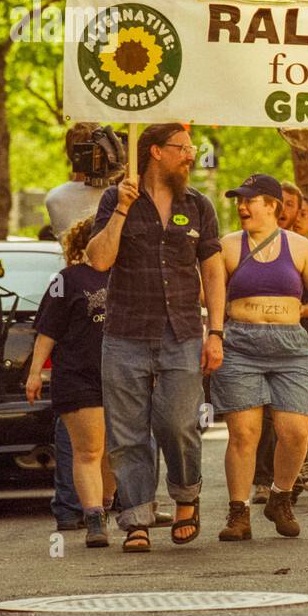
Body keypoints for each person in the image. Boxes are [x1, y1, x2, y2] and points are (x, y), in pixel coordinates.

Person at [86, 123, 225, 553]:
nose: (190, 155)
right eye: (182, 148)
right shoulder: (115, 199)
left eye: (190, 148)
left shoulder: (199, 205)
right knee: (126, 432)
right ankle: (137, 518)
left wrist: (216, 331)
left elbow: (214, 270)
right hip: (125, 332)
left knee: (177, 422)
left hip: (182, 332)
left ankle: (186, 496)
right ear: (155, 153)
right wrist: (123, 210)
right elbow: (98, 260)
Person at [212, 174, 308, 542]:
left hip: (290, 344)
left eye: (249, 200)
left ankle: (280, 497)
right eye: (239, 201)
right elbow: (209, 296)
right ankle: (238, 513)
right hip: (241, 343)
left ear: (272, 205)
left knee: (296, 432)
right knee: (245, 434)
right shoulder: (227, 245)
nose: (241, 207)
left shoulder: (300, 246)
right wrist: (212, 337)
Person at [25, 217, 113, 548]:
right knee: (89, 449)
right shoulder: (67, 279)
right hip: (78, 375)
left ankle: (106, 506)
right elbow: (48, 330)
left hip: (123, 375)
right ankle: (94, 520)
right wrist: (35, 372)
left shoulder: (130, 276)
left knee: (114, 453)